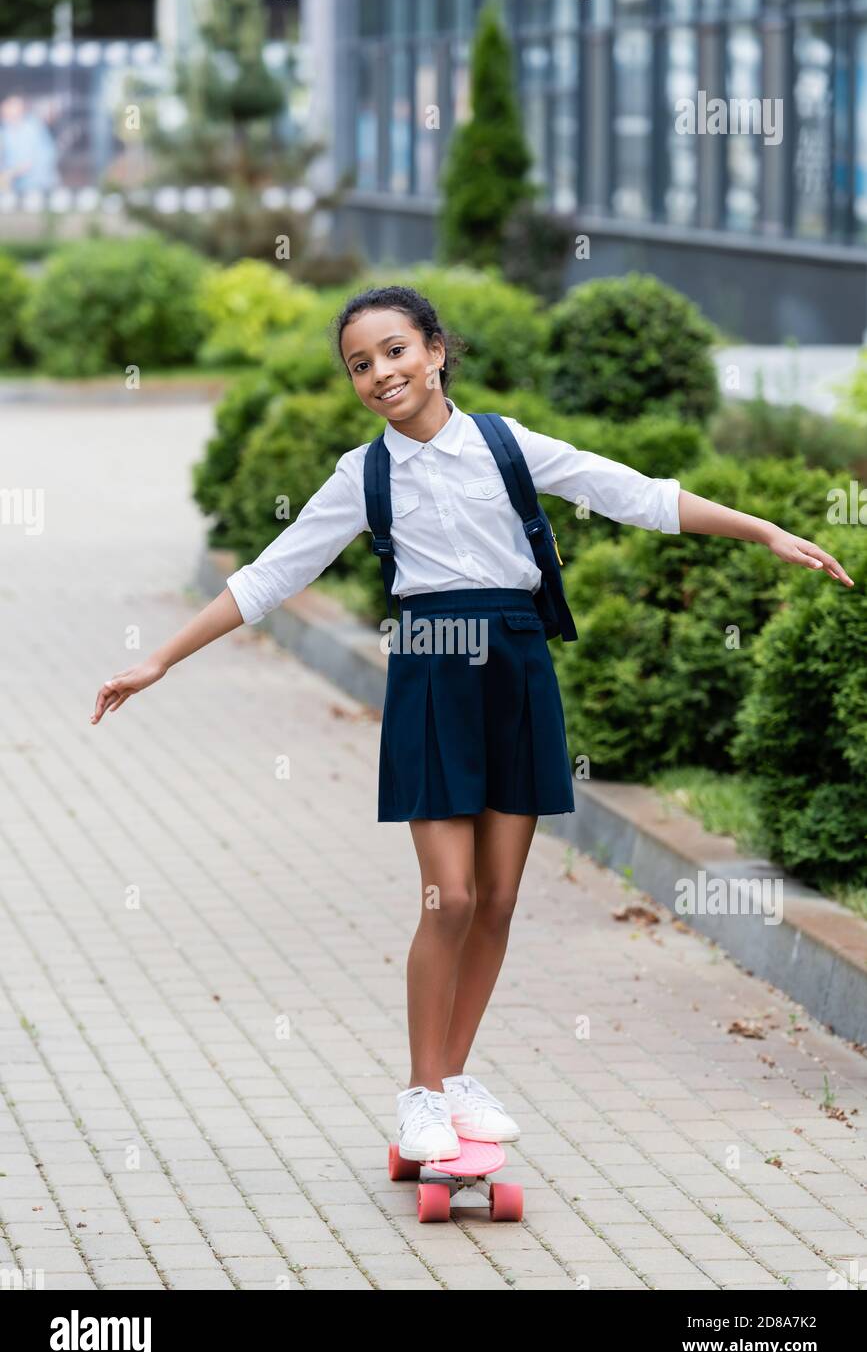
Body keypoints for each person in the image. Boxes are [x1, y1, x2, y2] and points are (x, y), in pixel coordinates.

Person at [91, 284, 854, 1164]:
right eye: (360, 364)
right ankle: (419, 1094)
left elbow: (633, 494)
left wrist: (762, 532)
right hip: (430, 677)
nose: (380, 373)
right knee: (445, 896)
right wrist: (159, 659)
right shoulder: (361, 477)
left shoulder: (504, 444)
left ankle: (452, 1082)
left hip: (518, 669)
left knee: (495, 899)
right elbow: (269, 575)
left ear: (436, 350)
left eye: (394, 351)